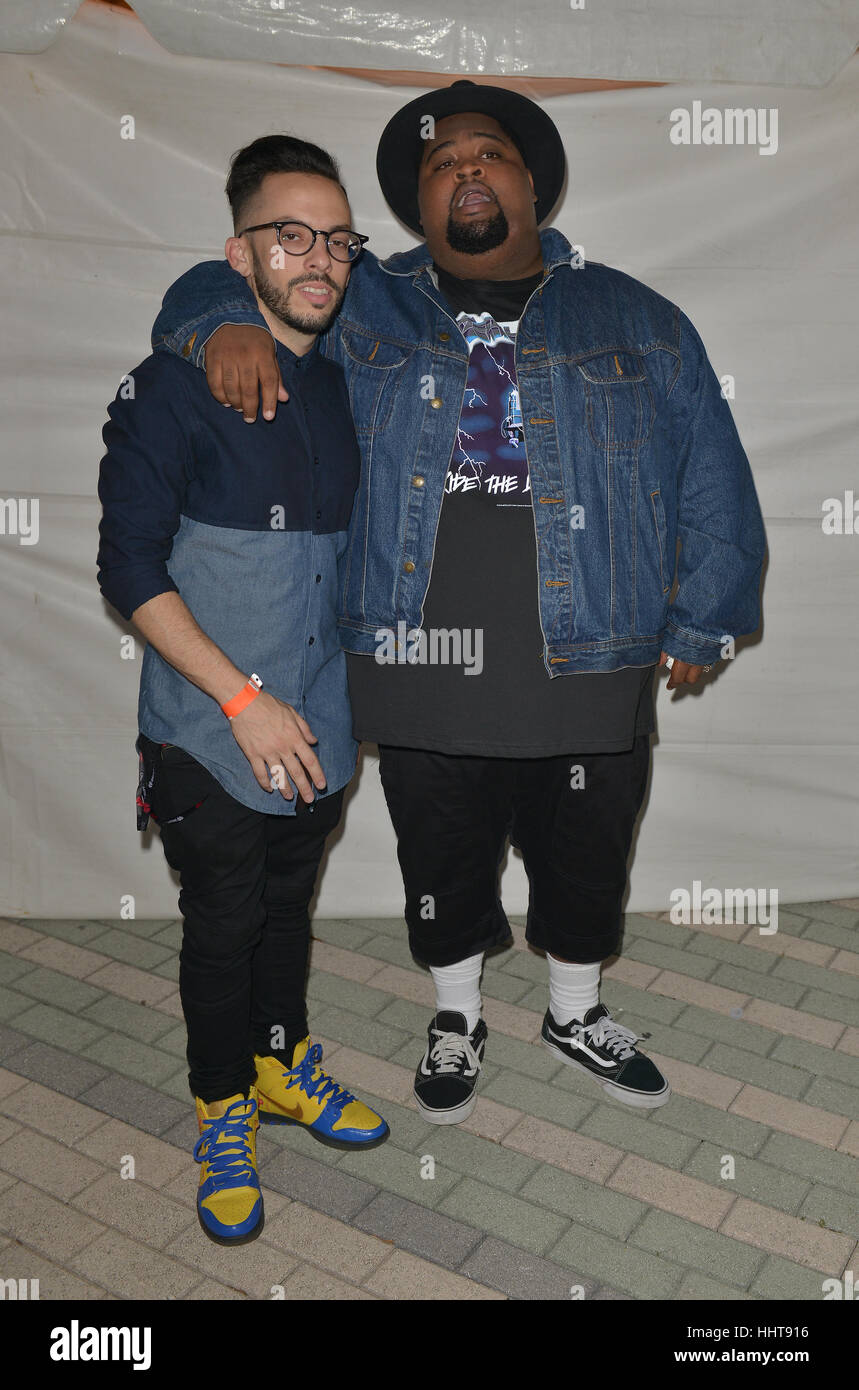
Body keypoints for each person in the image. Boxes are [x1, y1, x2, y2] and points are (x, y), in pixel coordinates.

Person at [149, 82, 766, 1127]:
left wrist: (705, 610)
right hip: (417, 645)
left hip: (595, 638)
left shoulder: (635, 315)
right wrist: (218, 330)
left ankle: (574, 1009)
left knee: (588, 835)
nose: (465, 170)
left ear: (532, 181)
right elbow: (221, 285)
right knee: (438, 842)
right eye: (441, 163)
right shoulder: (365, 302)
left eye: (488, 154)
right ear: (416, 203)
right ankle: (455, 1012)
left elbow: (710, 463)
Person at [97, 135, 388, 1247]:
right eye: (288, 235)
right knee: (221, 925)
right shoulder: (177, 381)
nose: (316, 258)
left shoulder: (342, 371)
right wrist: (238, 700)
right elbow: (129, 572)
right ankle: (222, 1107)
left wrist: (306, 708)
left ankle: (280, 1063)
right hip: (213, 735)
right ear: (240, 253)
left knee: (284, 912)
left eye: (335, 239)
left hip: (319, 724)